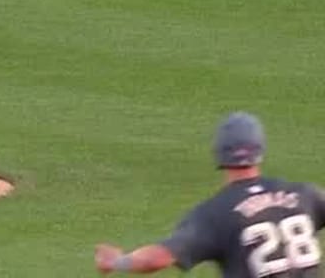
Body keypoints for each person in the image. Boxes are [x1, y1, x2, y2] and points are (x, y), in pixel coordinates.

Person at [92, 111, 325, 275]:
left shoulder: (215, 214)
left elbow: (158, 258)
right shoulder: (304, 195)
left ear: (218, 153)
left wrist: (117, 261)